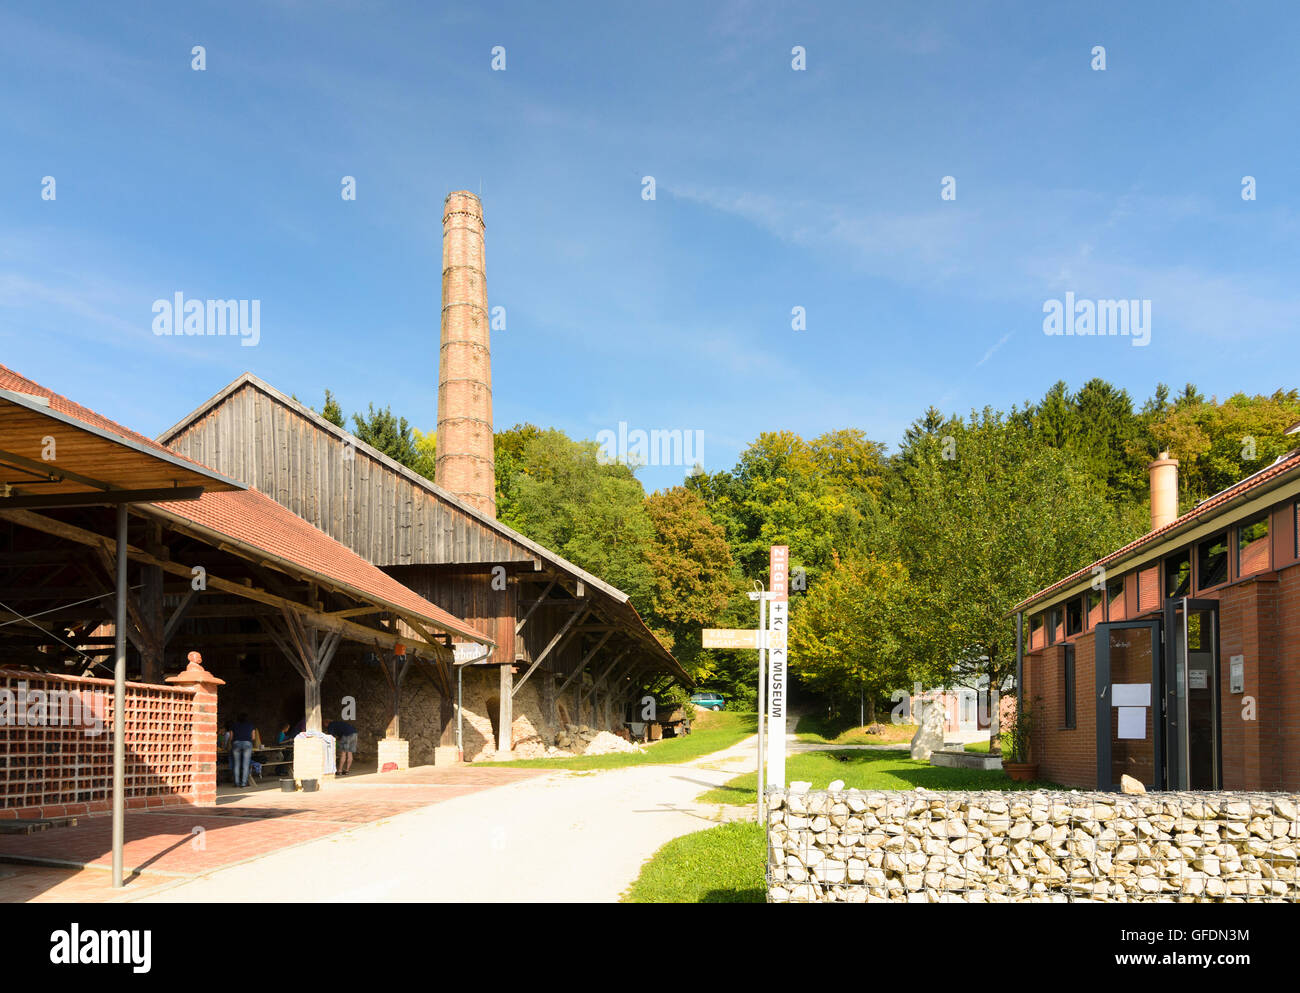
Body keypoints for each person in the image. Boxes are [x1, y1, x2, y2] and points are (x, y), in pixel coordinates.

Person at [229, 712, 262, 788]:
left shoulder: (233, 725)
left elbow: (231, 737)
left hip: (236, 743)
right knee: (246, 764)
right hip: (247, 744)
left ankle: (236, 783)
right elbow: (253, 737)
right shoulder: (251, 725)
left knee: (236, 764)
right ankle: (243, 783)